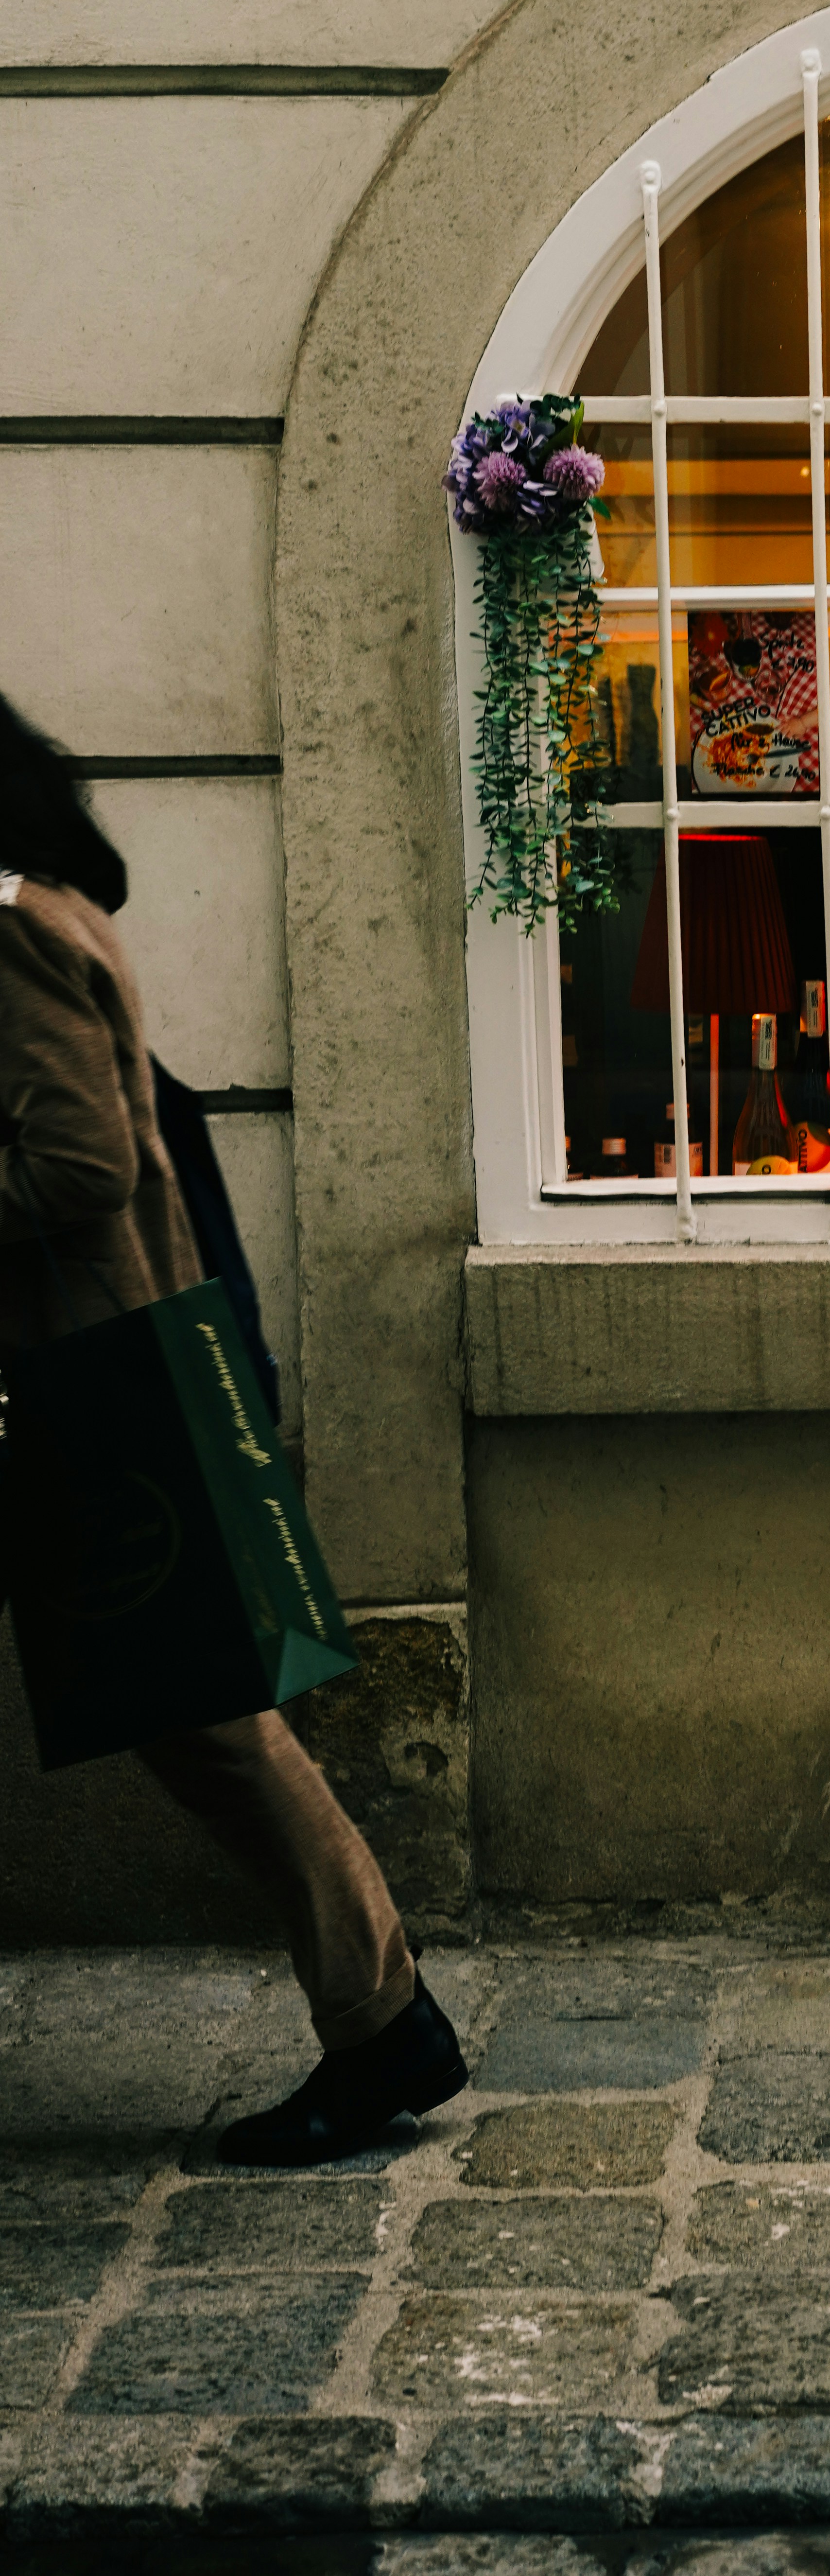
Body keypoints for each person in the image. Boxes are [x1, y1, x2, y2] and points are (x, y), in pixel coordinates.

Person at [0, 691, 467, 2165]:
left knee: (215, 1725)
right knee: (213, 1724)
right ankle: (387, 2021)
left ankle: (386, 2023)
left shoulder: (10, 923)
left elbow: (79, 1167)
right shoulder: (42, 907)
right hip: (101, 1385)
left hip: (88, 1391)